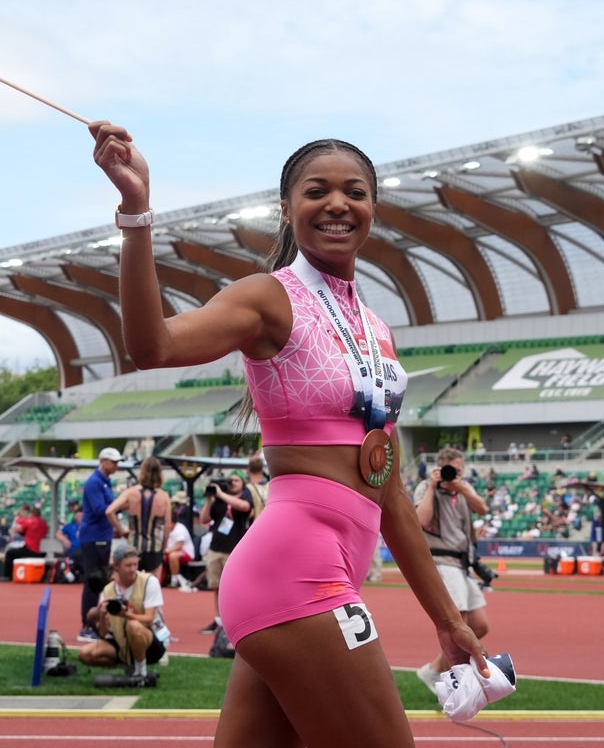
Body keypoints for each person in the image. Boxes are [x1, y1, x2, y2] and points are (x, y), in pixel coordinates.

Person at [91, 123, 488, 746]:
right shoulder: (268, 299)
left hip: (326, 573)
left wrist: (447, 620)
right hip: (296, 573)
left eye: (354, 192)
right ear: (287, 208)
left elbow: (388, 494)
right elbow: (152, 345)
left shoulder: (379, 334)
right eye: (316, 191)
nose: (337, 204)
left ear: (373, 209)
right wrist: (137, 213)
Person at [413, 447, 490, 690]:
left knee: (479, 626)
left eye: (458, 470)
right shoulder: (427, 487)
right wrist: (434, 487)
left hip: (463, 563)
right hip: (443, 561)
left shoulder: (463, 489)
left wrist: (463, 487)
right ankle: (457, 683)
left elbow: (483, 509)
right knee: (459, 623)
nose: (453, 474)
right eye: (450, 470)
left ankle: (433, 671)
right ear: (439, 467)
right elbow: (421, 521)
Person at [77, 544, 167, 679]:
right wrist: (102, 614)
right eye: (128, 566)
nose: (133, 569)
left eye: (135, 564)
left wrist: (126, 615)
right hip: (120, 641)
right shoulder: (108, 590)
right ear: (116, 567)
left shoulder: (149, 581)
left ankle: (140, 670)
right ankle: (127, 665)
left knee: (133, 626)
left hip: (150, 642)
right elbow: (103, 633)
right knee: (85, 654)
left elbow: (149, 618)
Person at [197, 474, 252, 634]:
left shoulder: (245, 495)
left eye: (236, 480)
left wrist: (221, 494)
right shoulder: (219, 501)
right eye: (230, 480)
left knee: (234, 589)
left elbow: (244, 507)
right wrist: (209, 499)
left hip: (234, 551)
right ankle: (218, 620)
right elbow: (204, 519)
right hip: (216, 549)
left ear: (243, 483)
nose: (232, 483)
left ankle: (234, 620)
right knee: (216, 587)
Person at [78, 447, 121, 642]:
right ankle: (87, 624)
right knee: (92, 581)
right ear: (103, 461)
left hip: (101, 536)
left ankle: (95, 623)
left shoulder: (104, 483)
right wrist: (120, 507)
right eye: (113, 462)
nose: (116, 465)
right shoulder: (94, 483)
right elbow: (99, 509)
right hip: (94, 537)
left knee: (100, 581)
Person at [106, 456, 171, 577]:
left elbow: (109, 511)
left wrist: (121, 531)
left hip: (134, 546)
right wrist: (164, 546)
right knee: (152, 587)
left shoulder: (131, 492)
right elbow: (167, 526)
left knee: (131, 586)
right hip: (154, 547)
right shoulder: (164, 496)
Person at [3, 502, 48, 576]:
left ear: (32, 513)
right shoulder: (44, 522)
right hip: (42, 551)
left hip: (32, 549)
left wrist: (19, 519)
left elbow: (18, 529)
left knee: (10, 553)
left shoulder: (30, 521)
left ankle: (7, 575)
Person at [164, 493, 197, 592]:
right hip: (170, 551)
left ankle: (174, 580)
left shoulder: (180, 529)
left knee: (173, 555)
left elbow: (179, 546)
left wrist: (166, 551)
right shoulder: (165, 529)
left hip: (185, 553)